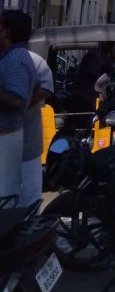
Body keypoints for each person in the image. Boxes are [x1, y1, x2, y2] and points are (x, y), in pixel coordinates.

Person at [0, 10, 37, 206]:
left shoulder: (16, 59)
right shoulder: (11, 57)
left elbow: (17, 100)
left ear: (6, 32)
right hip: (8, 136)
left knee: (4, 196)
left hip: (6, 137)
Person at [21, 48, 53, 208]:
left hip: (27, 148)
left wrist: (22, 101)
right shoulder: (33, 60)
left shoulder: (34, 61)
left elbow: (46, 89)